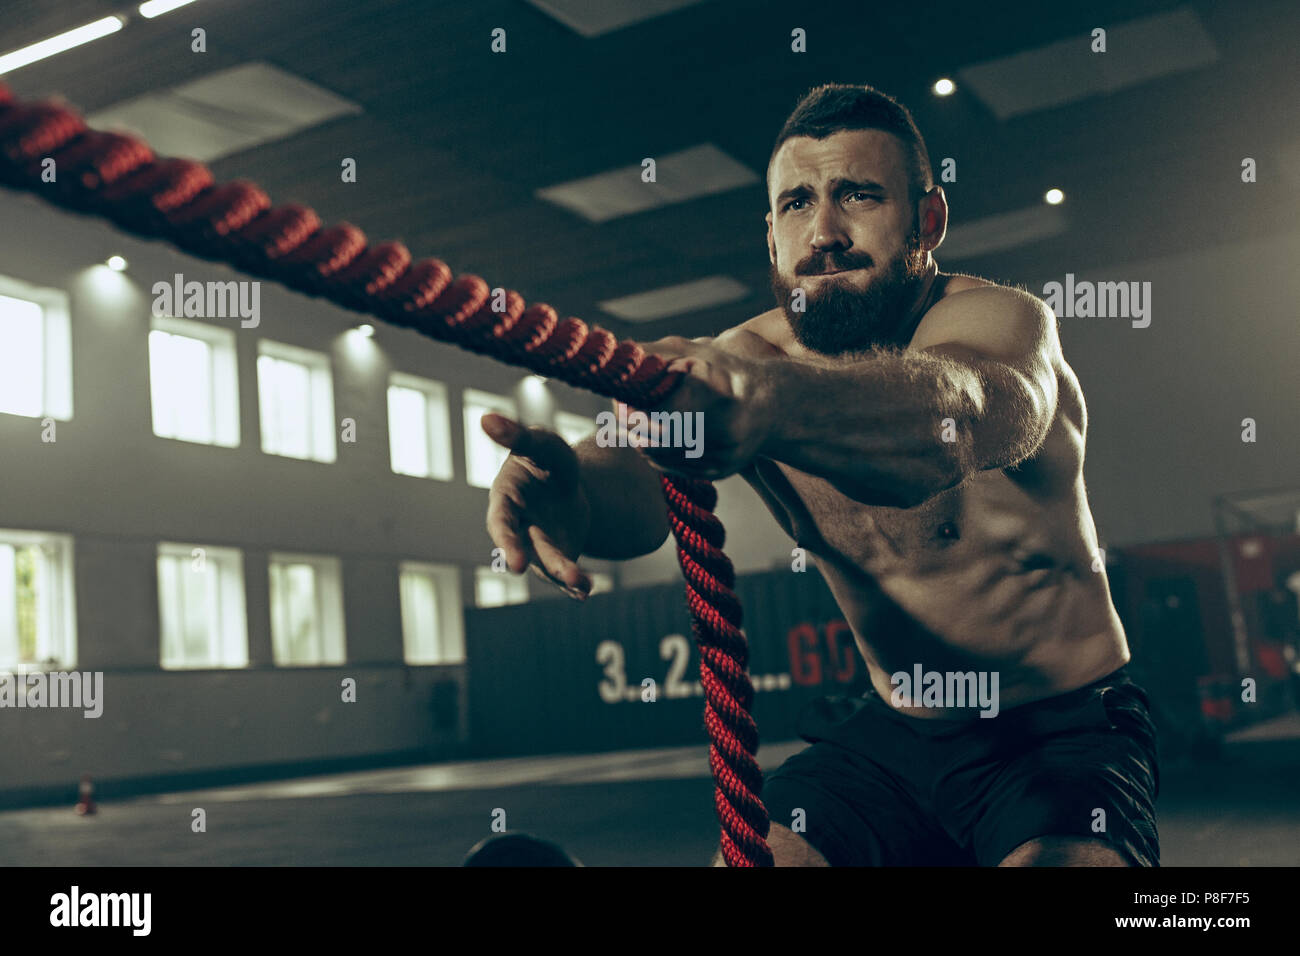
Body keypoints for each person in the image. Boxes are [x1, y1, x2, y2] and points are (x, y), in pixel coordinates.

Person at [482, 83, 1159, 867]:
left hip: (1061, 728)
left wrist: (769, 406)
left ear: (928, 220)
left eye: (859, 196)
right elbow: (641, 478)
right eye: (797, 203)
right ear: (770, 237)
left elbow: (952, 423)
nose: (824, 232)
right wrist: (576, 491)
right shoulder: (745, 364)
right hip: (889, 738)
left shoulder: (1000, 324)